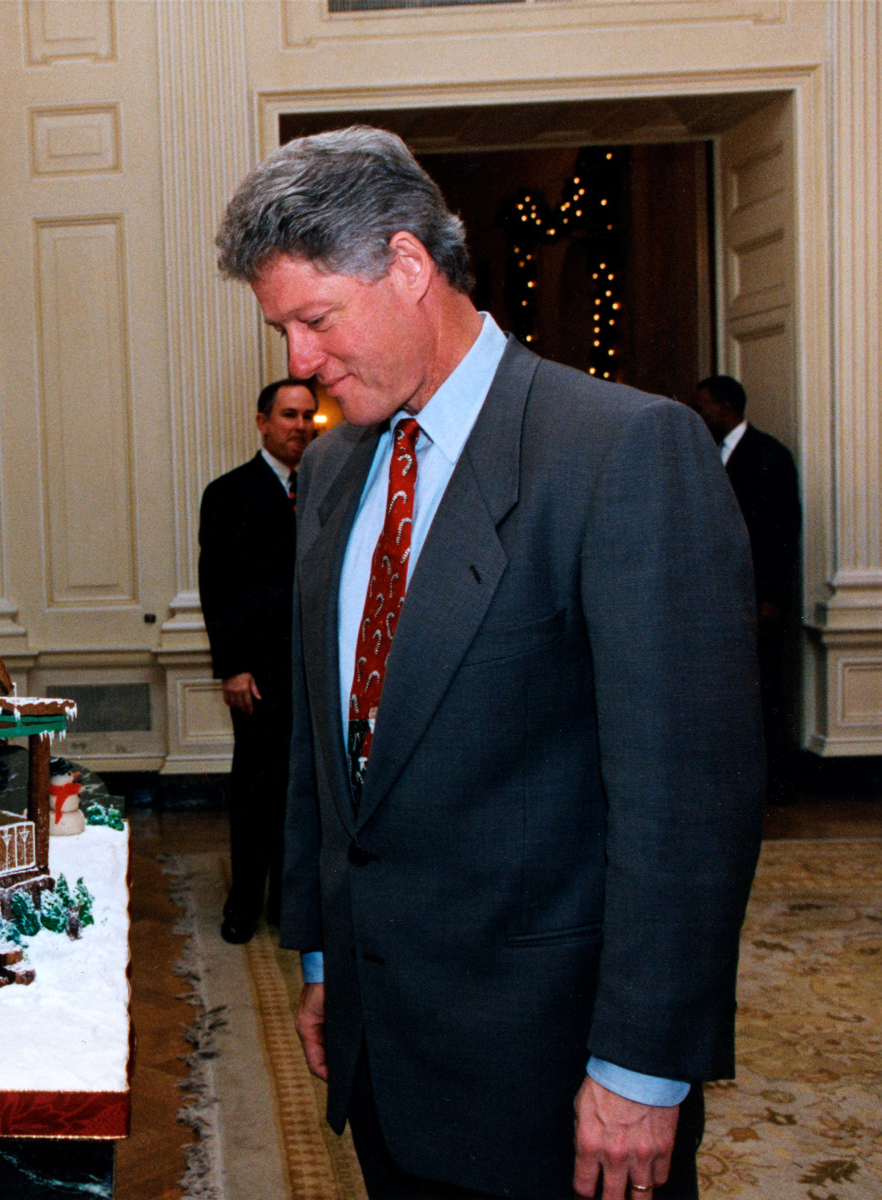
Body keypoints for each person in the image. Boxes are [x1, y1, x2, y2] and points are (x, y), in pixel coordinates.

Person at [215, 126, 764, 1199]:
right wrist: (325, 954)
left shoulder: (623, 452)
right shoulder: (330, 468)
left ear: (410, 266)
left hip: (553, 1076)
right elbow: (322, 749)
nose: (298, 362)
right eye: (281, 327)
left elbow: (686, 801)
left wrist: (642, 1067)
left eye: (316, 320)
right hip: (383, 1050)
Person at [198, 377, 317, 943]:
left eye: (307, 417)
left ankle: (288, 905)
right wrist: (233, 667)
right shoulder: (229, 494)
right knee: (257, 790)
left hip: (317, 670)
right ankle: (243, 904)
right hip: (259, 675)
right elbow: (218, 589)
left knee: (305, 792)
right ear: (262, 421)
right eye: (289, 415)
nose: (300, 426)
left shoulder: (326, 487)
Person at [687, 374, 802, 806]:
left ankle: (773, 784)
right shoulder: (703, 455)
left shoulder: (769, 455)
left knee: (765, 690)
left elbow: (782, 533)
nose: (697, 415)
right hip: (717, 602)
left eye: (702, 407)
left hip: (758, 603)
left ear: (726, 407)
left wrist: (771, 599)